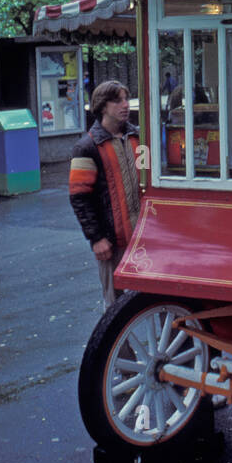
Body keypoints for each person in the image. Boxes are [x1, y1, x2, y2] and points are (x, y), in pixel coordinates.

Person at [69, 82, 141, 308]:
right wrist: (96, 238)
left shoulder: (138, 138)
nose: (125, 105)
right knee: (114, 308)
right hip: (112, 241)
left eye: (126, 99)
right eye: (117, 100)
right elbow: (79, 197)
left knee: (158, 300)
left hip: (143, 239)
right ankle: (120, 346)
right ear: (102, 106)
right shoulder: (87, 147)